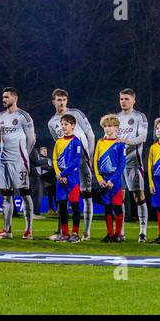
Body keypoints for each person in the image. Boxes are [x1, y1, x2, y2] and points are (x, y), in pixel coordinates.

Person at [48, 90, 96, 239]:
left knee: (86, 194)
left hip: (83, 160)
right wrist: (60, 171)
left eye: (63, 99)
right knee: (63, 199)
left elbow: (90, 134)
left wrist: (91, 156)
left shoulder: (76, 114)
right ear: (53, 102)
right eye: (58, 100)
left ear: (67, 100)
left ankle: (85, 232)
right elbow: (60, 144)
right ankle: (64, 231)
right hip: (66, 167)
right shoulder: (51, 123)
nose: (61, 102)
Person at [0, 88, 36, 239]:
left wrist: (24, 154)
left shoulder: (24, 116)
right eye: (3, 97)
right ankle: (7, 230)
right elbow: (1, 137)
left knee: (25, 193)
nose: (3, 99)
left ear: (14, 98)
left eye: (6, 97)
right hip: (4, 161)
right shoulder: (0, 116)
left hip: (19, 160)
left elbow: (31, 139)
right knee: (6, 195)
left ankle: (28, 230)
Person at [113, 89, 150, 242]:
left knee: (138, 196)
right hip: (117, 164)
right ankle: (120, 232)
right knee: (118, 198)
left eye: (127, 99)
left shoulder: (139, 117)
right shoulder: (115, 118)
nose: (124, 101)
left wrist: (128, 142)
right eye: (121, 99)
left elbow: (143, 136)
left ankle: (143, 232)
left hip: (133, 162)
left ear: (134, 100)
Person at [51, 114, 84, 242]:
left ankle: (75, 234)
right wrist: (58, 174)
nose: (63, 127)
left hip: (72, 179)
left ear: (73, 126)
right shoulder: (59, 142)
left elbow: (76, 162)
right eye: (62, 124)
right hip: (60, 180)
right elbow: (54, 159)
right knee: (62, 207)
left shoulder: (76, 142)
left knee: (75, 206)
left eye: (66, 124)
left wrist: (63, 174)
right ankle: (65, 233)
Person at [93, 115, 127, 242]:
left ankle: (118, 234)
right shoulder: (100, 142)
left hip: (116, 180)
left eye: (110, 126)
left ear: (116, 127)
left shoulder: (120, 144)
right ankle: (109, 234)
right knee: (107, 208)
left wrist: (112, 180)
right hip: (103, 179)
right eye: (105, 126)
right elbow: (95, 161)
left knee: (117, 207)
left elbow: (122, 164)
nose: (107, 128)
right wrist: (99, 178)